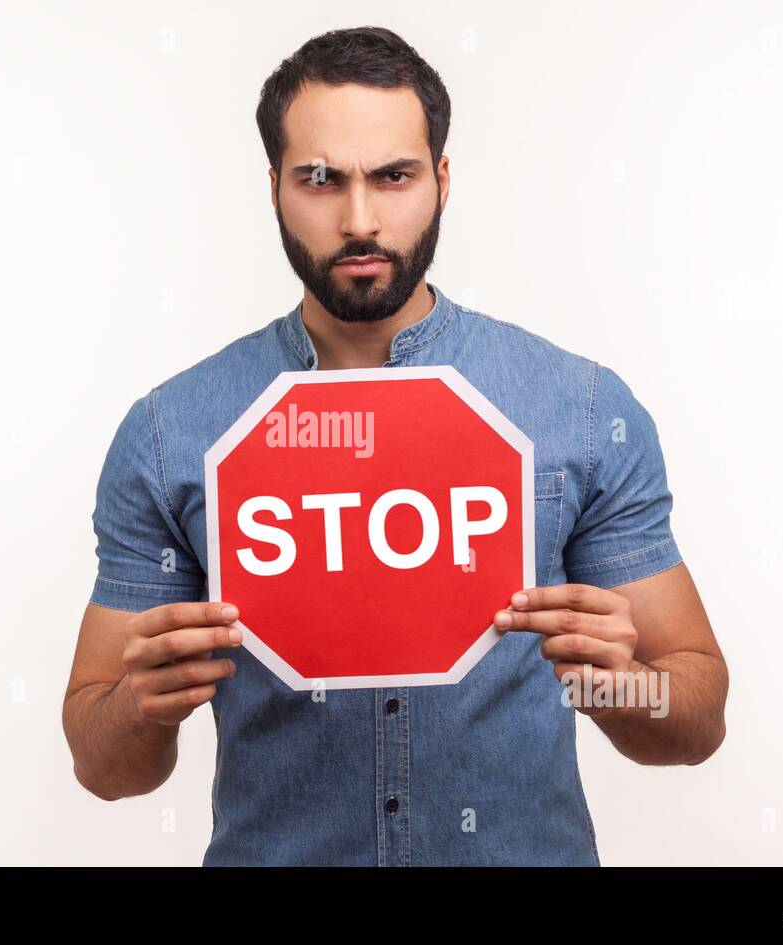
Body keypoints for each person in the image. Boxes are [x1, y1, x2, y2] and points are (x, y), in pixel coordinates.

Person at [62, 26, 727, 866]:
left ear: (442, 182)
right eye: (320, 179)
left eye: (394, 176)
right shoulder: (173, 433)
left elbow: (697, 721)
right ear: (274, 187)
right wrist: (142, 705)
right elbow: (101, 764)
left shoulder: (581, 409)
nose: (360, 219)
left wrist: (612, 680)